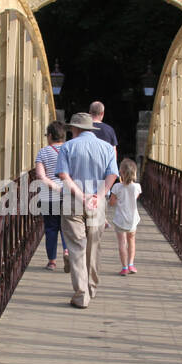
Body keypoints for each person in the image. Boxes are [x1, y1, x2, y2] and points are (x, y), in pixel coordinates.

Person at [56, 112, 119, 308]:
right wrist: (98, 196)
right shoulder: (107, 148)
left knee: (76, 247)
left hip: (72, 201)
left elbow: (64, 176)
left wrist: (80, 195)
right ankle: (92, 287)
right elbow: (112, 175)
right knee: (93, 246)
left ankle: (81, 294)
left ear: (75, 129)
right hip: (96, 202)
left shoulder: (67, 147)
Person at [34, 121, 69, 269]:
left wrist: (53, 186)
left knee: (51, 229)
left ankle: (52, 262)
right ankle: (67, 251)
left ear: (49, 136)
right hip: (68, 195)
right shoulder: (69, 150)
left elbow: (40, 176)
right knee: (67, 227)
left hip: (49, 197)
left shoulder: (43, 152)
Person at [108, 158, 142, 275]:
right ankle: (131, 264)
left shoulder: (117, 187)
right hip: (133, 220)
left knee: (122, 243)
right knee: (131, 240)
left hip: (120, 220)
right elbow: (135, 198)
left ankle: (124, 267)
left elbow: (112, 203)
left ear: (121, 172)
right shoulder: (137, 187)